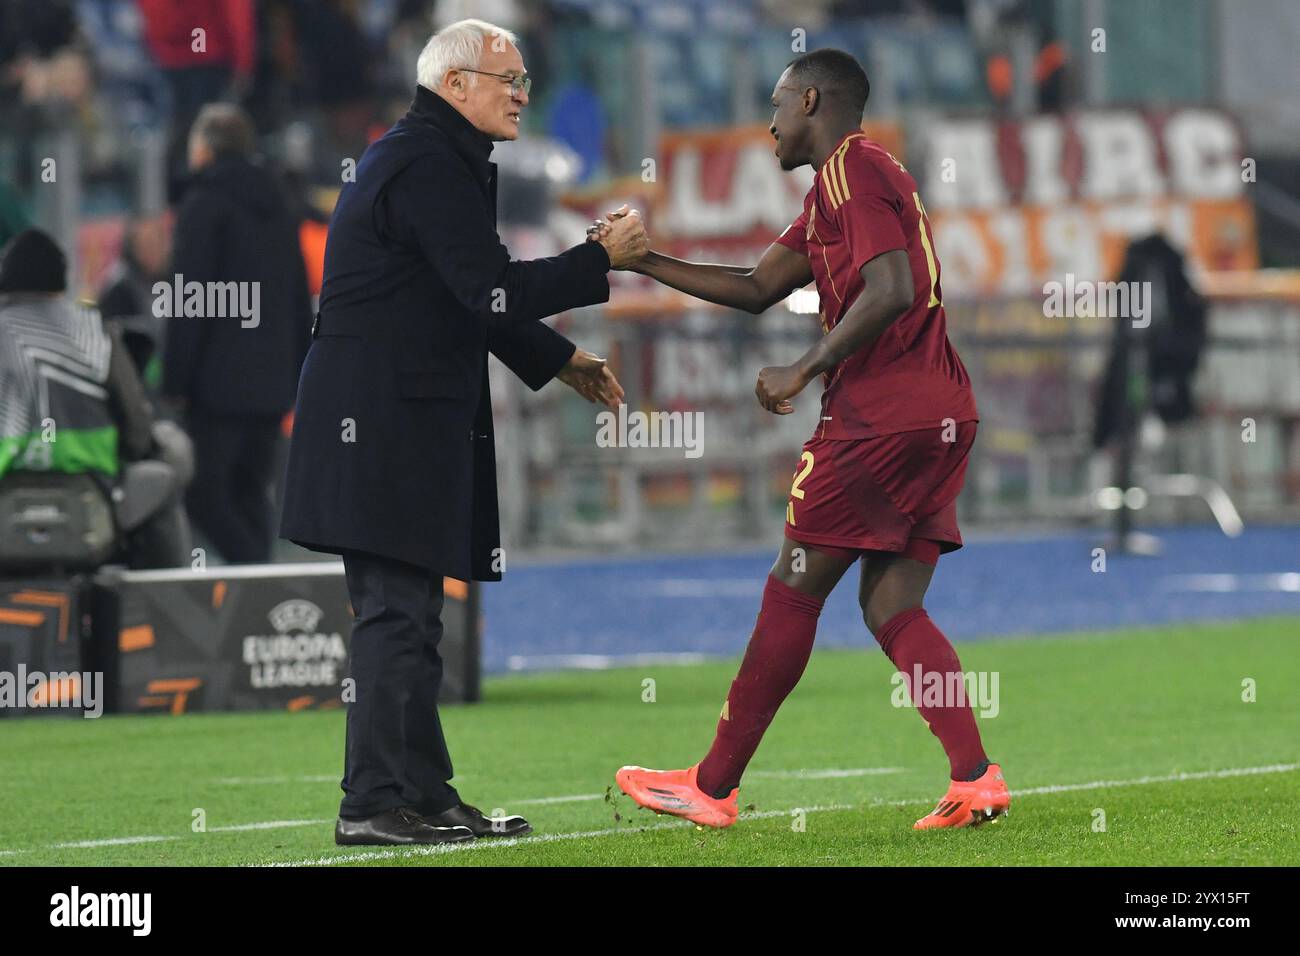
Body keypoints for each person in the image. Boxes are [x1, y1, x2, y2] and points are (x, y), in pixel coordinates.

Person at [596, 49, 1009, 831]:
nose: (770, 123)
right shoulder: (839, 190)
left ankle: (712, 784)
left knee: (793, 584)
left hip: (879, 418)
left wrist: (807, 365)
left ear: (811, 99)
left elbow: (893, 288)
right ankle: (976, 776)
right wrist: (643, 260)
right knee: (893, 605)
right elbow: (756, 288)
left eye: (779, 106)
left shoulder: (856, 171)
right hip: (938, 413)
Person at [278, 18, 646, 847]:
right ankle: (372, 804)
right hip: (374, 425)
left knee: (410, 617)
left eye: (523, 79)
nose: (523, 93)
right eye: (506, 79)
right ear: (454, 85)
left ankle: (423, 796)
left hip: (383, 419)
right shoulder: (425, 163)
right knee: (396, 617)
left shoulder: (432, 157)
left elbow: (459, 297)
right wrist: (599, 257)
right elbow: (488, 290)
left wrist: (556, 360)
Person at [162, 103, 313, 565]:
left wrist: (174, 384)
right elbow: (296, 298)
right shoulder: (280, 206)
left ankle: (253, 577)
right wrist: (297, 376)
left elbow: (190, 303)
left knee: (202, 492)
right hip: (271, 386)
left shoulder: (203, 206)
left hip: (216, 387)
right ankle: (260, 586)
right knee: (251, 492)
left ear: (204, 149)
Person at [0, 229, 189, 569]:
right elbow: (136, 427)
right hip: (91, 502)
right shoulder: (94, 331)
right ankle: (166, 607)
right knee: (167, 471)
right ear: (60, 284)